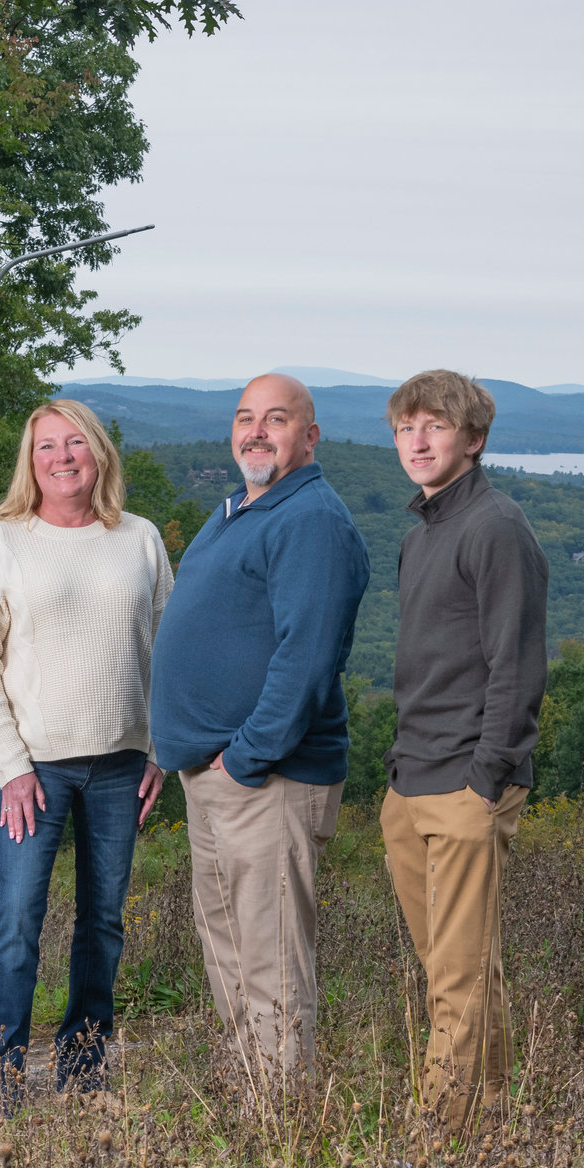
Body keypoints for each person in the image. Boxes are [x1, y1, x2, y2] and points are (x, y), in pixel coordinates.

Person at [148, 374, 369, 1086]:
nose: (256, 430)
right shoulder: (242, 508)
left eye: (276, 419)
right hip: (215, 779)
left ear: (309, 436)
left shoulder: (310, 519)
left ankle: (281, 1127)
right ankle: (254, 1101)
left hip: (266, 779)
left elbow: (304, 658)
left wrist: (245, 758)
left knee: (269, 959)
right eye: (245, 417)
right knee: (230, 952)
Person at [0, 400, 173, 1118]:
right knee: (18, 919)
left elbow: (168, 651)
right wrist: (10, 766)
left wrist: (161, 749)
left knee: (102, 922)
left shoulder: (139, 539)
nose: (61, 456)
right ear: (31, 460)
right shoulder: (1, 542)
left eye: (74, 442)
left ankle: (82, 1076)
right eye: (45, 445)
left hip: (121, 766)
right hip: (35, 770)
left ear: (99, 454)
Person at [379, 369, 548, 1138]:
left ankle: (435, 1141)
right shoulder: (422, 535)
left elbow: (514, 666)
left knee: (455, 976)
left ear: (472, 440)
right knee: (459, 971)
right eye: (405, 428)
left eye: (434, 427)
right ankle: (493, 1117)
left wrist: (486, 779)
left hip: (465, 785)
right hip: (410, 779)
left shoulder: (494, 527)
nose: (416, 441)